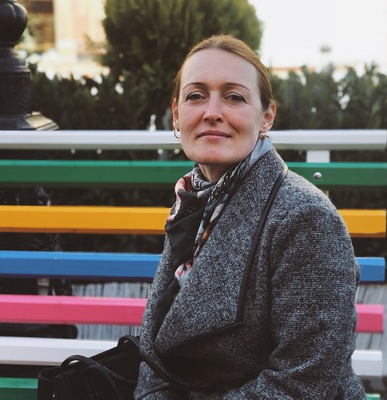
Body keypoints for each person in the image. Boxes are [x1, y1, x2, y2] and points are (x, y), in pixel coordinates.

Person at [134, 34, 366, 399]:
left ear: (266, 117)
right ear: (177, 114)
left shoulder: (305, 218)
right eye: (196, 96)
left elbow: (304, 382)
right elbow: (156, 356)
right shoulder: (193, 202)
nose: (212, 112)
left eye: (234, 97)